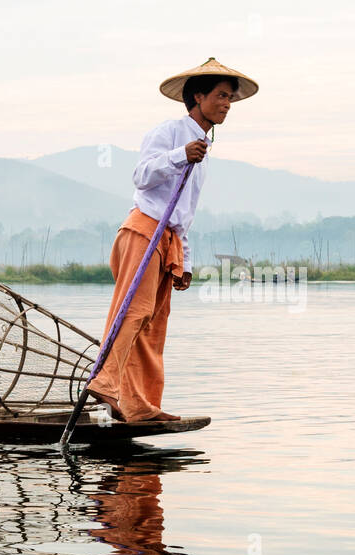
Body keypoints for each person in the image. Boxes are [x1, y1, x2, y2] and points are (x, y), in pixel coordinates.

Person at [87, 57, 257, 422]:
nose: (227, 104)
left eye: (230, 98)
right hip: (143, 231)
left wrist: (187, 260)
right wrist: (181, 156)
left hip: (168, 240)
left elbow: (182, 211)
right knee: (135, 311)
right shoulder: (170, 133)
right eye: (221, 96)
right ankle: (105, 383)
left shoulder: (203, 150)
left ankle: (138, 405)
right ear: (198, 96)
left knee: (154, 322)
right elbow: (142, 176)